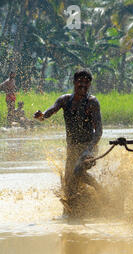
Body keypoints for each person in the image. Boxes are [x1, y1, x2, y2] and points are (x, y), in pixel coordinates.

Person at [34, 70, 103, 208]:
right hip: (72, 147)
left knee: (78, 171)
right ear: (74, 82)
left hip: (88, 147)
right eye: (80, 82)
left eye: (86, 82)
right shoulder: (64, 100)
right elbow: (49, 112)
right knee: (69, 180)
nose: (83, 85)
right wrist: (41, 116)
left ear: (89, 84)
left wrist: (88, 151)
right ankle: (74, 207)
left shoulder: (92, 102)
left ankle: (102, 192)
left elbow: (99, 131)